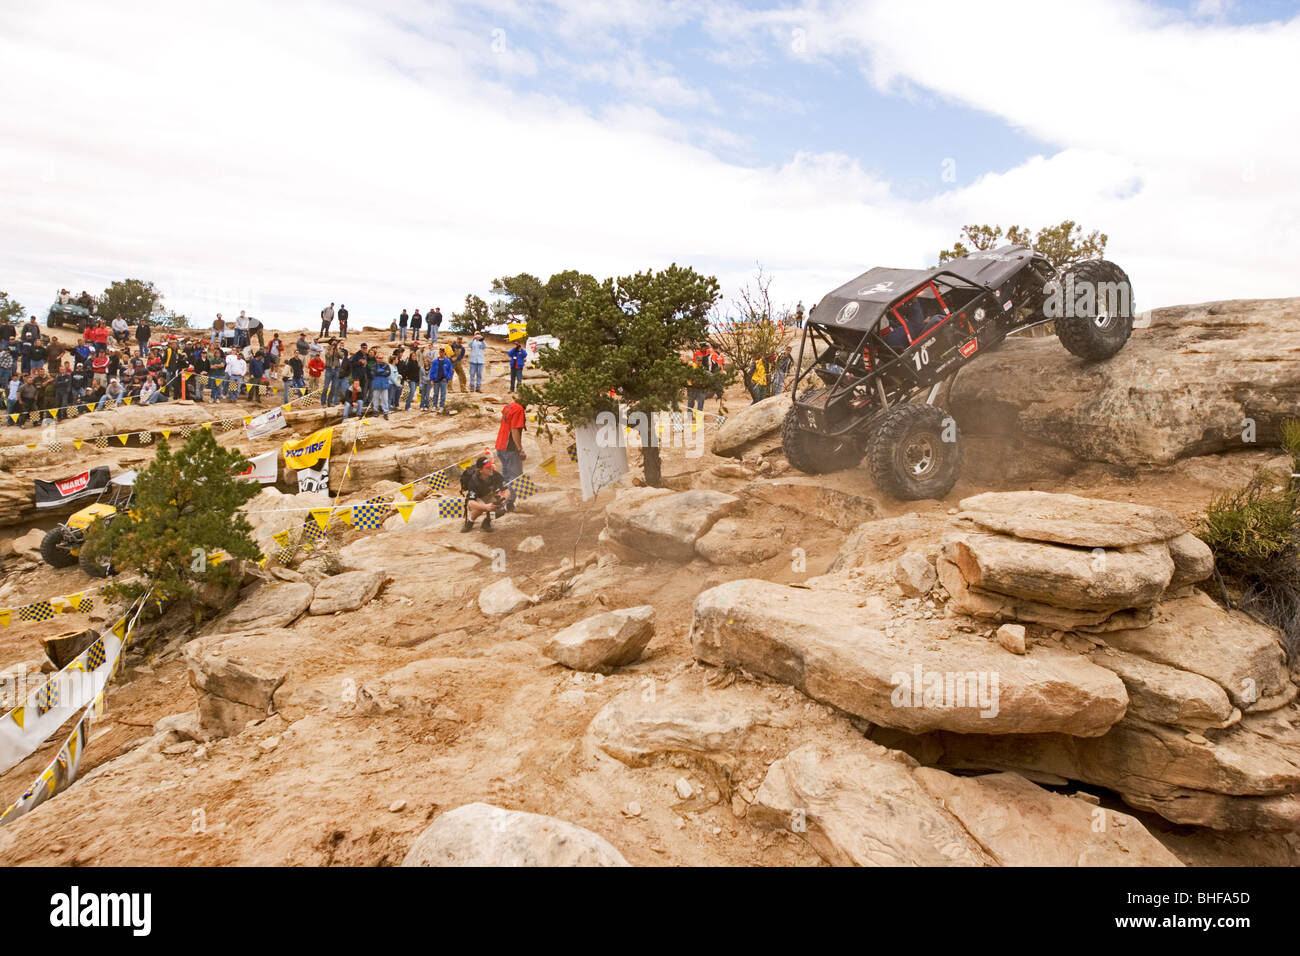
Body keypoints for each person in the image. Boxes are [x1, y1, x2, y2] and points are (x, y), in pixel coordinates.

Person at [459, 456, 509, 533]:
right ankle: (470, 522)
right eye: (487, 467)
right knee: (479, 510)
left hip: (489, 495)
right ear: (480, 470)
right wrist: (485, 506)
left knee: (499, 507)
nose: (491, 468)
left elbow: (507, 490)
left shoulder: (495, 475)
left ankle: (486, 522)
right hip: (477, 498)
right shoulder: (473, 480)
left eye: (491, 466)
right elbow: (470, 502)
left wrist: (503, 500)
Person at [495, 395, 526, 484]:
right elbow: (514, 430)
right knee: (517, 477)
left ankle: (503, 496)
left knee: (506, 477)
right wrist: (520, 449)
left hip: (500, 445)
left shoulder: (509, 405)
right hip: (510, 447)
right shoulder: (519, 409)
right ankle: (514, 498)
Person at [428, 347, 452, 412]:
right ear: (439, 352)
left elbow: (450, 370)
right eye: (440, 352)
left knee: (443, 393)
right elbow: (432, 371)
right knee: (435, 394)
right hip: (436, 380)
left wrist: (447, 378)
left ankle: (442, 406)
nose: (441, 353)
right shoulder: (435, 361)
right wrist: (431, 379)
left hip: (443, 380)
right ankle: (434, 406)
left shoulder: (447, 361)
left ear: (444, 353)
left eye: (443, 352)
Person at [369, 352, 391, 419]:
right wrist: (383, 372)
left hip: (384, 384)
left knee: (385, 399)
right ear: (376, 358)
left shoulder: (387, 365)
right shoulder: (373, 365)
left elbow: (388, 373)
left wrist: (379, 371)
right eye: (379, 358)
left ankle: (386, 412)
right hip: (376, 384)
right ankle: (375, 411)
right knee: (376, 399)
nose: (380, 359)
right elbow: (373, 372)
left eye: (381, 358)